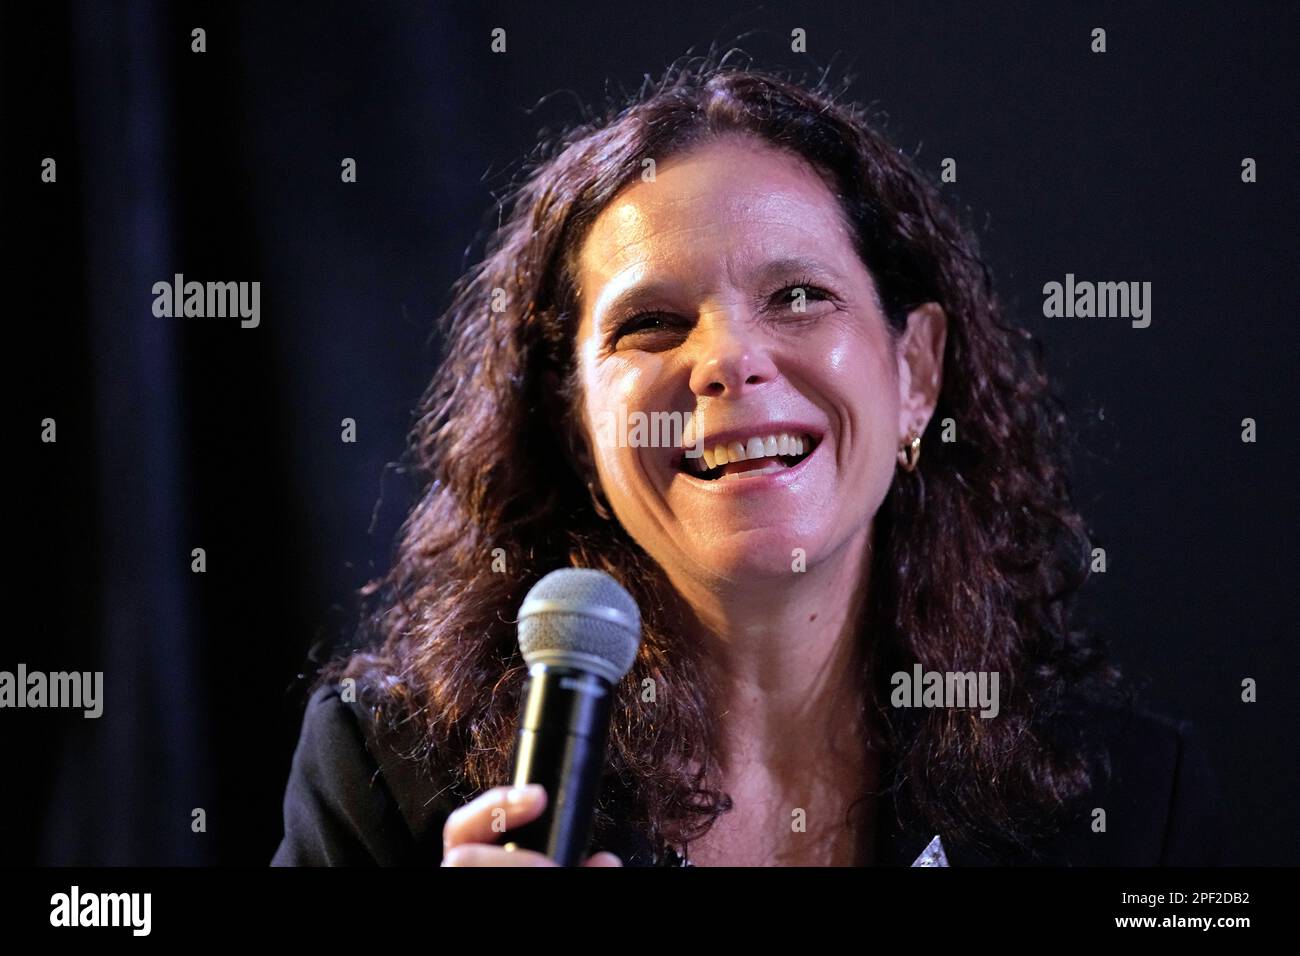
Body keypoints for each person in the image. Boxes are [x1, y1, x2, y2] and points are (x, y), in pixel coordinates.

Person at [272, 56, 1226, 867]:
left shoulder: (1130, 805)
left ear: (915, 373)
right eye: (650, 324)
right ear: (574, 426)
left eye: (800, 294)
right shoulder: (386, 777)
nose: (728, 360)